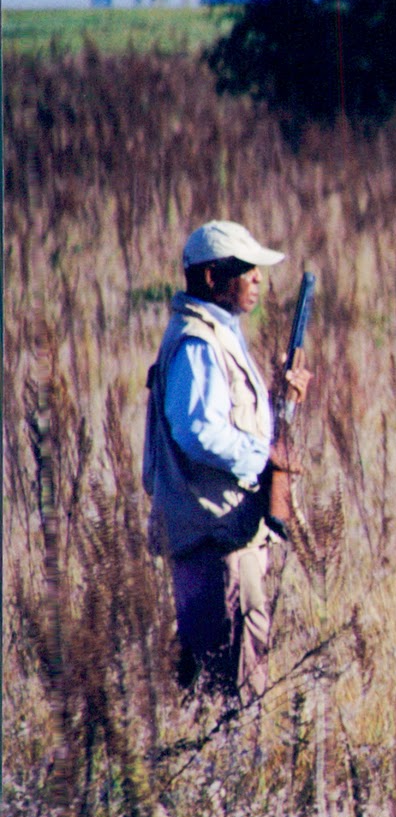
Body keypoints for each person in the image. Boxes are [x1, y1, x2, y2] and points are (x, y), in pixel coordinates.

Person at [143, 220, 312, 702]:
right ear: (212, 278)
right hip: (216, 541)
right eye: (244, 268)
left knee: (221, 685)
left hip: (226, 535)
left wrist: (285, 403)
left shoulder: (219, 333)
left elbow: (237, 423)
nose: (257, 277)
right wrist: (266, 456)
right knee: (235, 692)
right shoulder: (199, 343)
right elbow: (197, 432)